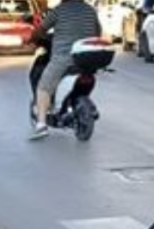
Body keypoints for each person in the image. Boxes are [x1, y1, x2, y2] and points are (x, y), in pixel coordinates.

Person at [30, 0, 102, 140]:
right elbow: (98, 32)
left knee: (43, 87)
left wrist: (33, 37)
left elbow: (41, 30)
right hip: (86, 59)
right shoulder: (90, 10)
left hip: (63, 58)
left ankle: (41, 125)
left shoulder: (59, 11)